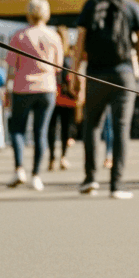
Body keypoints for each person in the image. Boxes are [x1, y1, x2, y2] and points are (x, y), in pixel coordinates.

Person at [71, 0, 139, 199]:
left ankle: (90, 179)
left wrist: (76, 73)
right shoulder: (132, 7)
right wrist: (134, 55)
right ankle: (116, 185)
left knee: (91, 126)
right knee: (121, 128)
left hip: (95, 73)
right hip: (123, 74)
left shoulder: (90, 5)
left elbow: (79, 43)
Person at [5, 0, 61, 190]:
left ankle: (19, 168)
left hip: (23, 87)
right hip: (47, 88)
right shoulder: (54, 36)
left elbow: (11, 67)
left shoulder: (19, 35)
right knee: (41, 132)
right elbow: (58, 66)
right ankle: (36, 174)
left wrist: (6, 89)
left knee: (18, 130)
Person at [47, 25, 78, 170]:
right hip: (66, 97)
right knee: (65, 128)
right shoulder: (69, 57)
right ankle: (63, 157)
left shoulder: (50, 54)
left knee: (52, 127)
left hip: (53, 94)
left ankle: (52, 157)